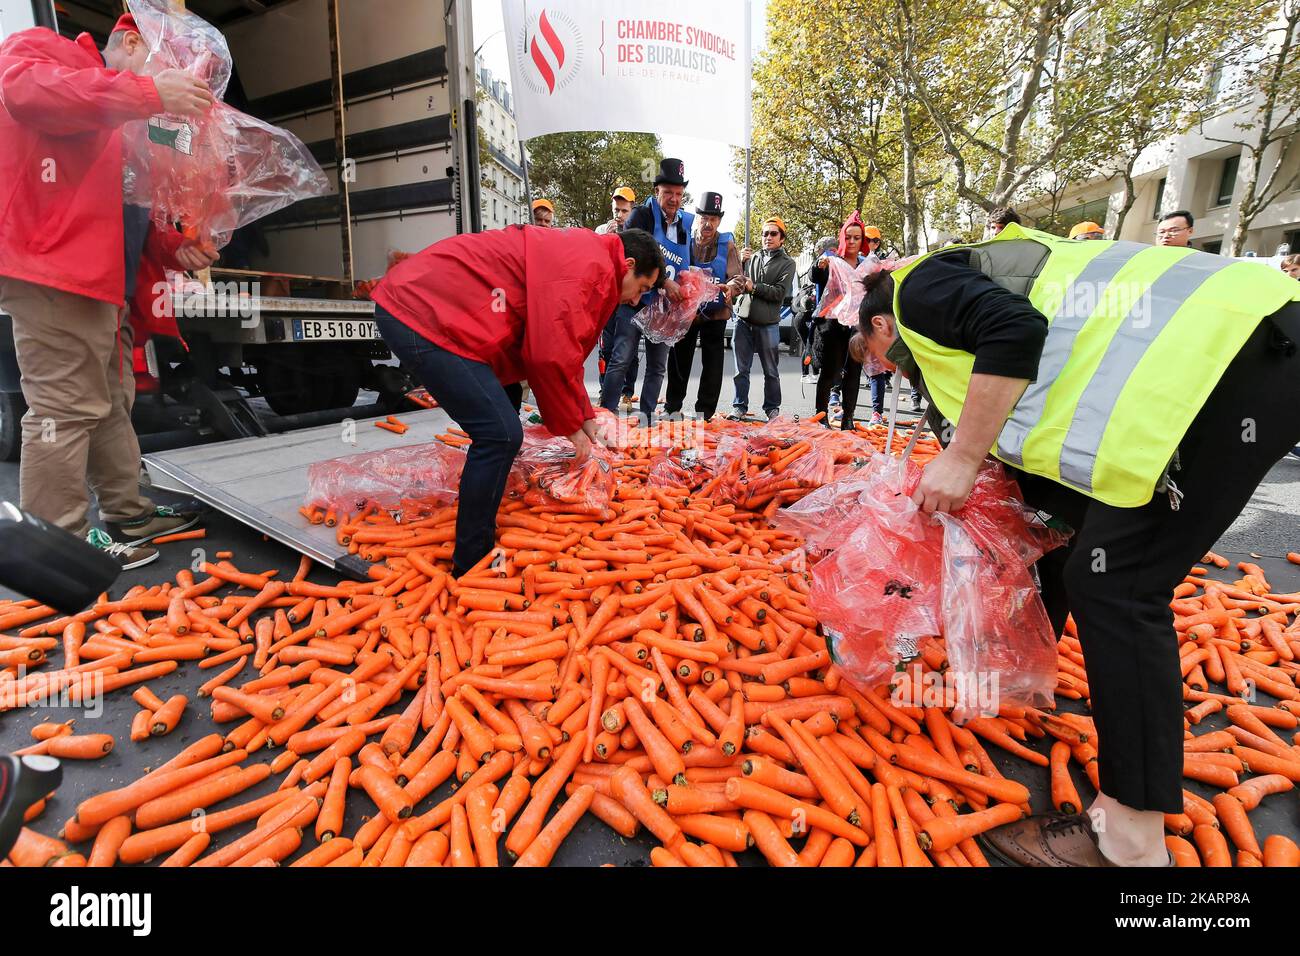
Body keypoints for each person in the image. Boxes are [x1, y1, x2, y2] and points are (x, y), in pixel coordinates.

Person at [849, 222, 1300, 866]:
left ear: (878, 327)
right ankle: (1034, 677)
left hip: (1235, 357)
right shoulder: (979, 284)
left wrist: (962, 456)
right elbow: (1047, 496)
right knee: (1070, 542)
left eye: (879, 359)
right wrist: (1010, 660)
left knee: (1117, 586)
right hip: (1243, 349)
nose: (894, 372)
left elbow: (1015, 334)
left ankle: (1131, 843)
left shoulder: (918, 288)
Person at [0, 13, 215, 568]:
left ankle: (128, 513)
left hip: (103, 284)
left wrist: (174, 250)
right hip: (52, 268)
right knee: (63, 407)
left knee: (111, 403)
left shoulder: (125, 119)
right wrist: (146, 91)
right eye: (162, 70)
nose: (166, 91)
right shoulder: (46, 51)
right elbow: (22, 91)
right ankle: (55, 549)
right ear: (130, 41)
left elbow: (128, 213)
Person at [372, 226, 663, 576]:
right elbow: (548, 356)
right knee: (501, 434)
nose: (635, 300)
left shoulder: (594, 260)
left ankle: (494, 504)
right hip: (421, 312)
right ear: (628, 264)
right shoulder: (591, 268)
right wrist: (571, 429)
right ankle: (472, 563)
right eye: (642, 289)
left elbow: (567, 355)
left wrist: (589, 423)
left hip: (433, 309)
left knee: (506, 403)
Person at [599, 158, 691, 425]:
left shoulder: (685, 225)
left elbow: (687, 262)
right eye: (667, 193)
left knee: (657, 366)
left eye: (678, 193)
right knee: (622, 357)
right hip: (635, 300)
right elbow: (635, 253)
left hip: (664, 309)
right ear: (657, 192)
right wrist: (664, 281)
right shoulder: (642, 215)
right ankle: (606, 414)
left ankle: (647, 417)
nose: (673, 199)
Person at [664, 191, 741, 420]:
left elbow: (738, 276)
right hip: (687, 312)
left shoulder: (727, 244)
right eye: (704, 217)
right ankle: (672, 406)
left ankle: (705, 412)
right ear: (697, 217)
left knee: (713, 362)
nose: (708, 223)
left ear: (719, 220)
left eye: (714, 219)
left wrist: (732, 287)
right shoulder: (683, 238)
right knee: (679, 358)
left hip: (716, 313)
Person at [729, 217, 795, 421]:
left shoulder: (788, 263)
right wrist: (740, 262)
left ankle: (772, 408)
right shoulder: (752, 257)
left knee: (771, 371)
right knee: (741, 370)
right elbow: (738, 281)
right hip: (743, 321)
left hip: (768, 325)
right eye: (765, 233)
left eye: (773, 233)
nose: (768, 237)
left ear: (782, 238)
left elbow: (779, 293)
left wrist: (755, 287)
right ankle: (739, 406)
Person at [812, 213, 873, 428]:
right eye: (848, 237)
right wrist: (820, 265)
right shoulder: (832, 260)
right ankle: (821, 417)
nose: (852, 242)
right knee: (830, 371)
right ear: (842, 238)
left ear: (862, 240)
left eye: (857, 237)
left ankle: (848, 417)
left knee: (854, 372)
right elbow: (816, 277)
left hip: (857, 326)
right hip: (833, 324)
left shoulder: (867, 264)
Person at [595, 187, 639, 403]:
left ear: (631, 210)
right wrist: (606, 238)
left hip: (628, 298)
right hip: (606, 298)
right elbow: (592, 260)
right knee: (606, 347)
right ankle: (606, 389)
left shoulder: (636, 233)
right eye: (616, 210)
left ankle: (626, 392)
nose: (619, 215)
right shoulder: (602, 230)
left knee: (628, 346)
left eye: (624, 211)